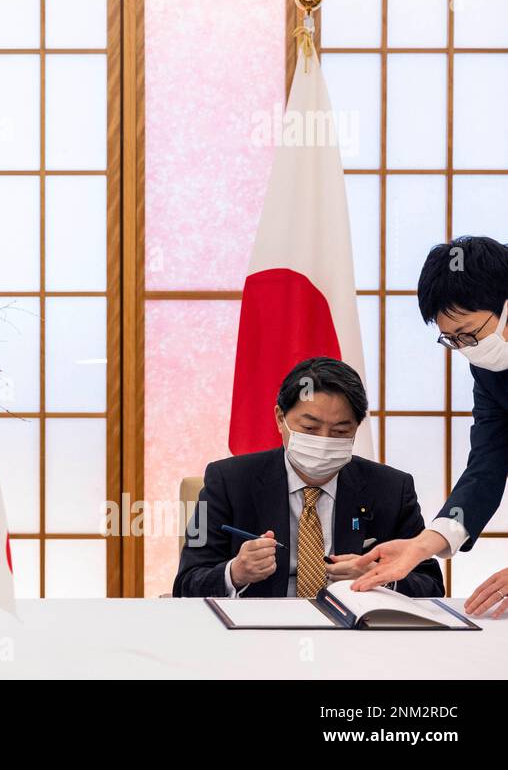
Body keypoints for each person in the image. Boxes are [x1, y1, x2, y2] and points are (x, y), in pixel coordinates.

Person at [175, 356, 443, 599]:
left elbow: (431, 585)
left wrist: (379, 578)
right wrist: (235, 573)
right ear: (281, 418)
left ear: (356, 428)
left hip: (355, 635)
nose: (323, 441)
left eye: (339, 431)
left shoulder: (391, 488)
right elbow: (186, 584)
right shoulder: (228, 481)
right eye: (310, 428)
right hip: (259, 633)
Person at [353, 236, 508, 617]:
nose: (467, 348)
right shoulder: (489, 368)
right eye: (452, 340)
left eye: (470, 334)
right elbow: (486, 465)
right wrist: (426, 543)